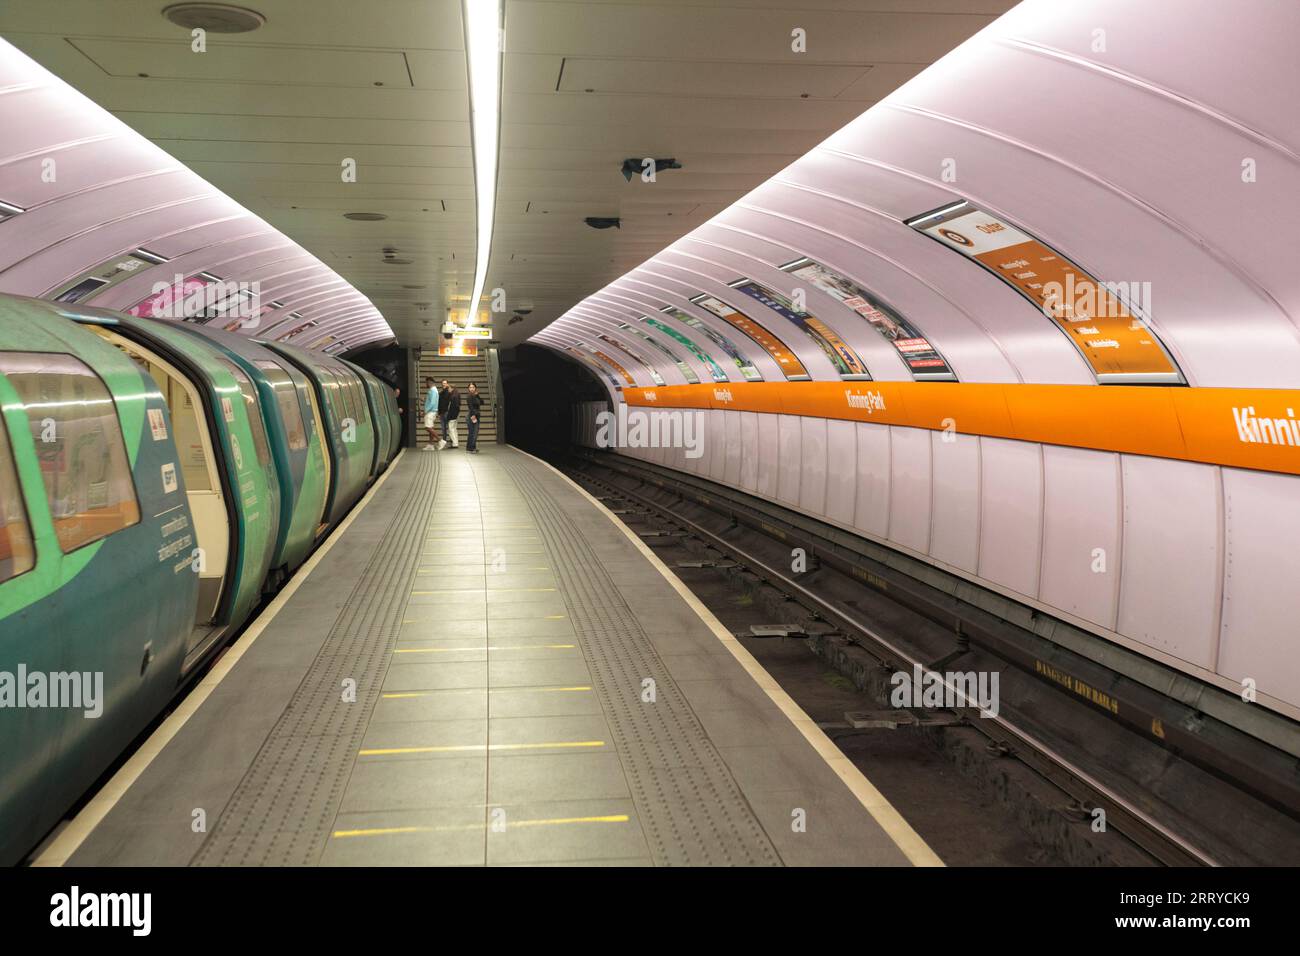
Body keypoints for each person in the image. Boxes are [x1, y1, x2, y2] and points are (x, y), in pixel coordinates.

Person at [442, 381, 461, 449]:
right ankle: (456, 442)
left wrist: (449, 416)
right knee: (454, 429)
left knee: (451, 430)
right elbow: (458, 406)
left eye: (449, 388)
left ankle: (455, 443)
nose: (448, 389)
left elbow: (452, 408)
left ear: (452, 388)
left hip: (453, 415)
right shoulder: (457, 395)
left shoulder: (453, 397)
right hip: (456, 415)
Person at [422, 377, 439, 450]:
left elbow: (432, 403)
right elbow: (431, 401)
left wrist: (425, 411)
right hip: (432, 411)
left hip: (430, 412)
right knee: (431, 427)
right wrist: (425, 400)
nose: (426, 384)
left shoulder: (433, 390)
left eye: (426, 382)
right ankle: (431, 445)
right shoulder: (434, 390)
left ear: (430, 382)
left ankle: (440, 440)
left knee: (427, 427)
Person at [466, 383, 482, 453]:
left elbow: (482, 402)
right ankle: (470, 448)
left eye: (473, 387)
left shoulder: (475, 396)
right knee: (473, 433)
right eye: (470, 387)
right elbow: (471, 407)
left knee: (473, 432)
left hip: (476, 415)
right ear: (468, 389)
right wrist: (473, 416)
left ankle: (472, 447)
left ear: (475, 388)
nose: (472, 389)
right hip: (472, 416)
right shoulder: (469, 396)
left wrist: (477, 396)